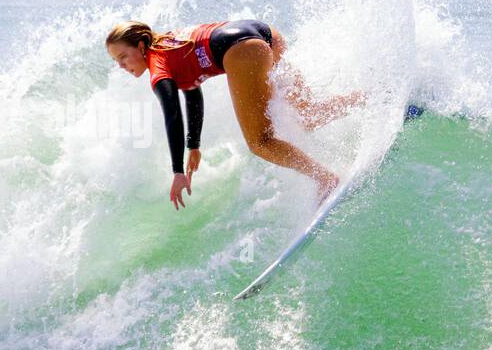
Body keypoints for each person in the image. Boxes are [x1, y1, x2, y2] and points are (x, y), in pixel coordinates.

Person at [105, 19, 364, 210]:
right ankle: (368, 97)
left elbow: (172, 113)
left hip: (244, 50)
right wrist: (193, 145)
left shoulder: (158, 64)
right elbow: (192, 92)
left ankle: (326, 179)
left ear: (141, 47)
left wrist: (177, 172)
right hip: (264, 33)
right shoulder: (171, 45)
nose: (122, 66)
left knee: (260, 142)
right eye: (116, 61)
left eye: (123, 57)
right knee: (306, 116)